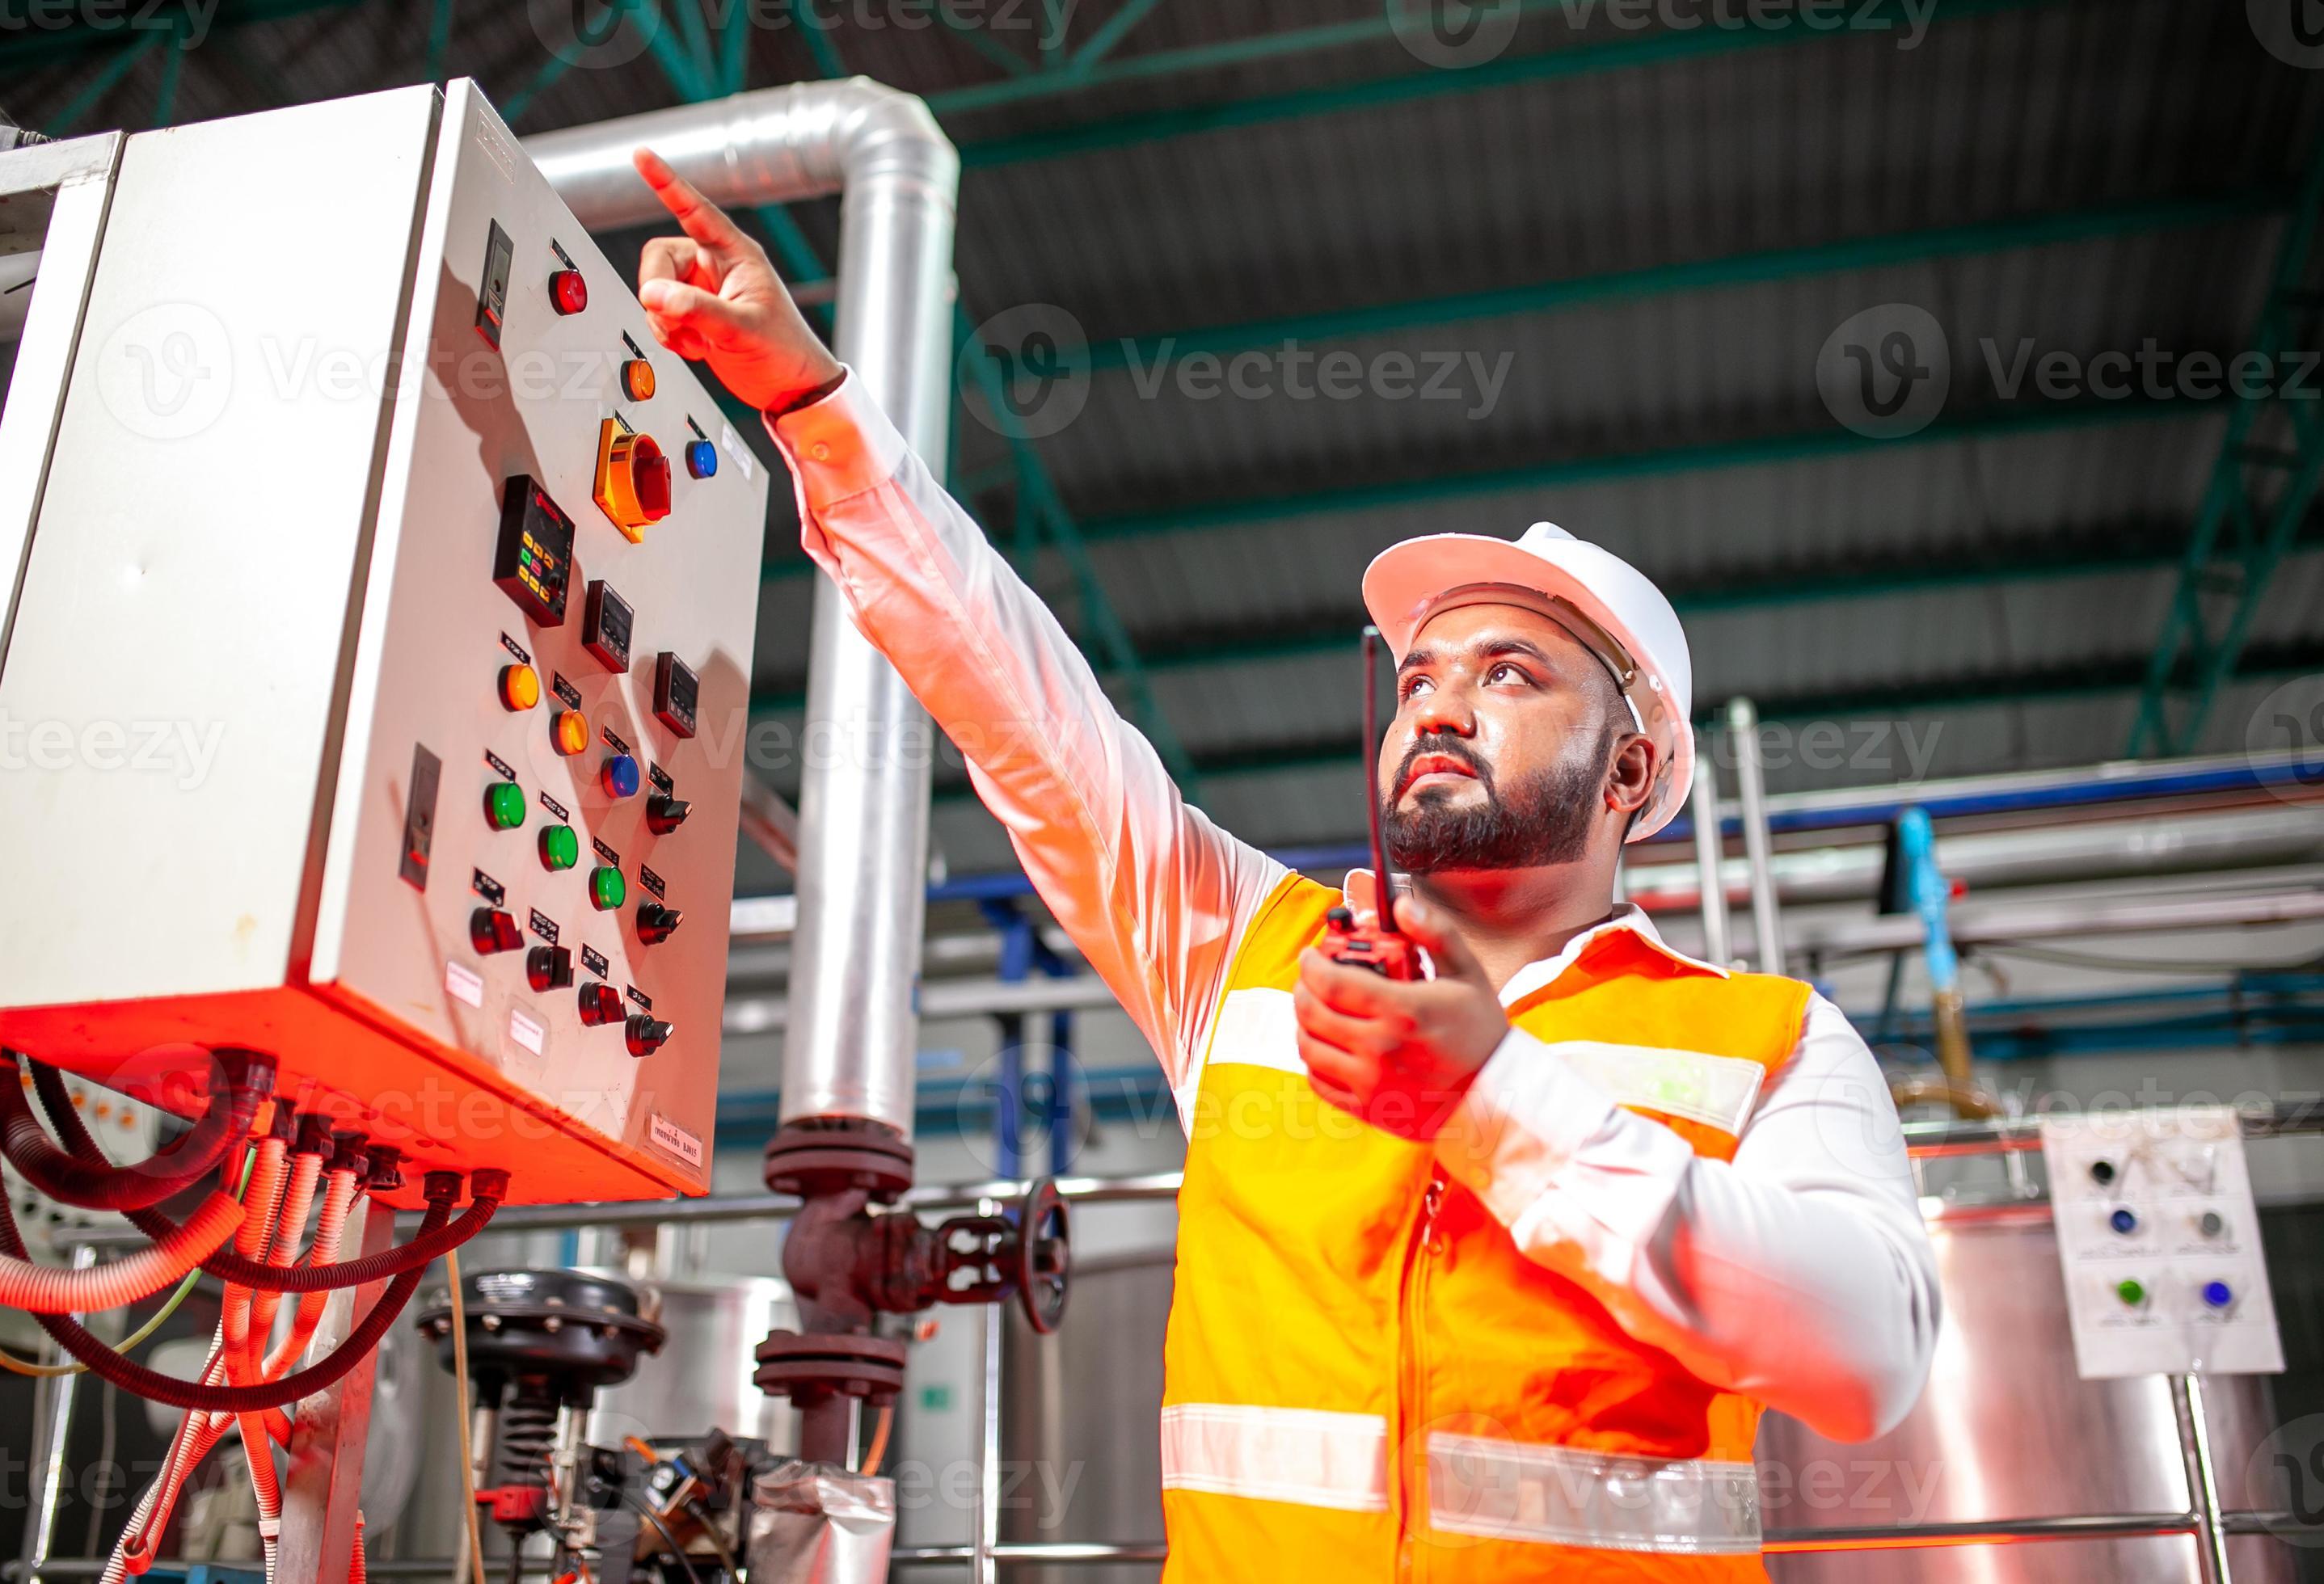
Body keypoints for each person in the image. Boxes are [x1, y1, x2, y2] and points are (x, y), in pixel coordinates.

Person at [631, 149, 1940, 1582]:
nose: (1438, 700)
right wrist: (814, 408)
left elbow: (1866, 1356)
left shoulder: (1770, 1041)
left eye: (1511, 673)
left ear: (1630, 771)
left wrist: (1491, 1097)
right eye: (1422, 670)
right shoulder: (1240, 945)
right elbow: (1017, 698)